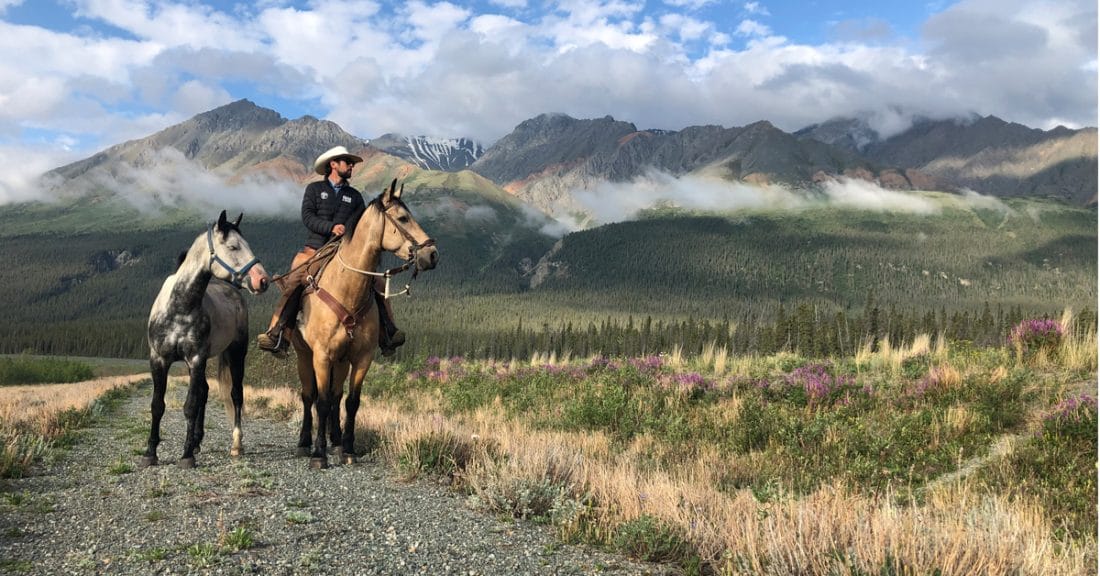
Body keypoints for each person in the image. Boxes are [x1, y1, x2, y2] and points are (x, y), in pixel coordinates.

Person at [257, 145, 405, 357]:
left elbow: (362, 227)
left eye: (351, 162)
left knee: (378, 284)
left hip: (344, 252)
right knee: (296, 280)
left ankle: (388, 333)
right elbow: (307, 216)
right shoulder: (314, 190)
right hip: (315, 250)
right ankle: (278, 333)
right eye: (347, 161)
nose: (352, 165)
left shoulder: (355, 196)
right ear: (333, 164)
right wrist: (330, 228)